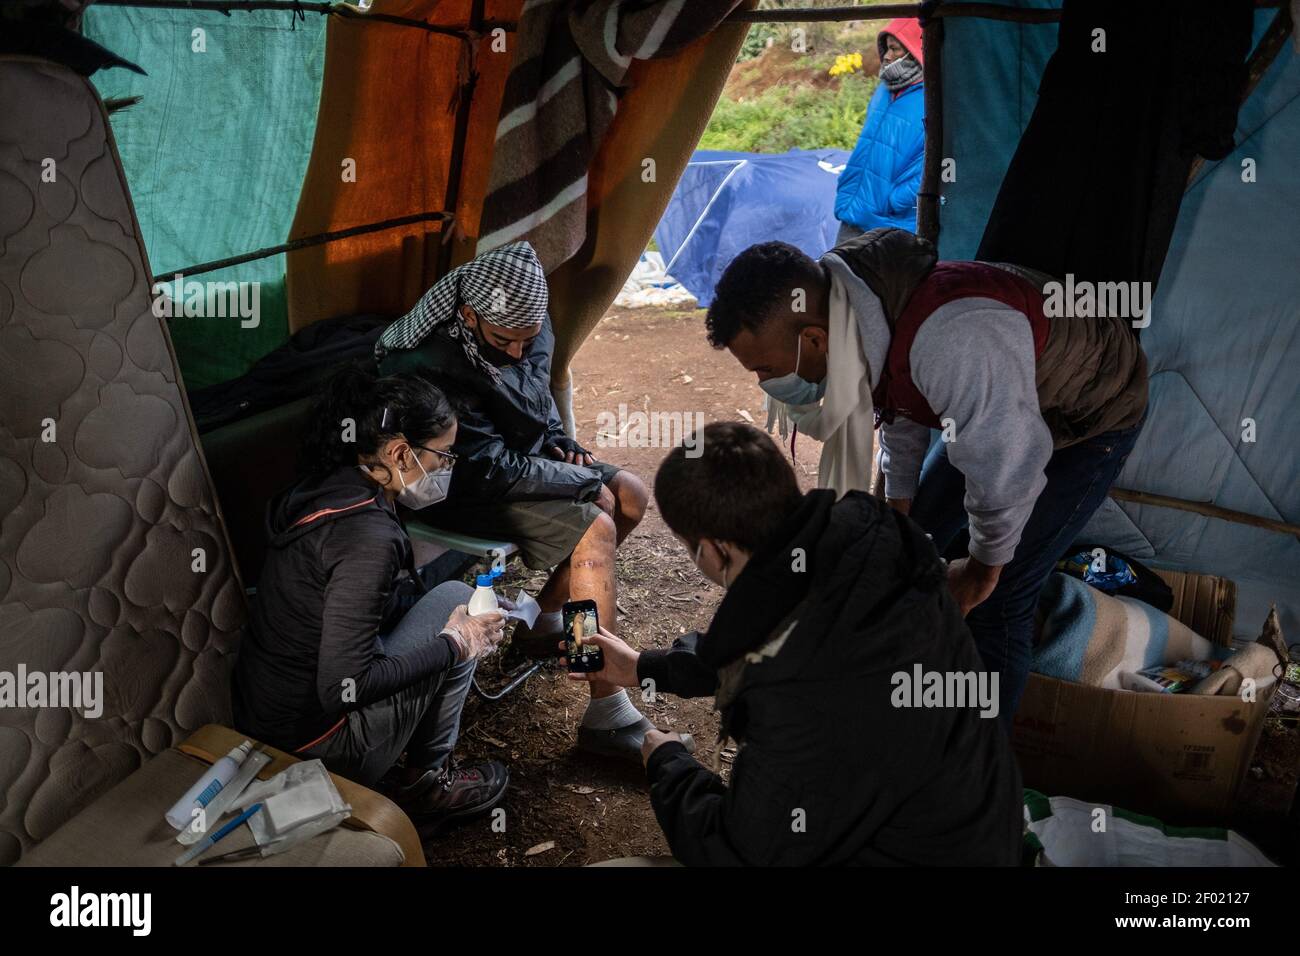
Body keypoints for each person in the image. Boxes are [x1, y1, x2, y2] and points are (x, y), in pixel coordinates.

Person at [705, 230, 1148, 721]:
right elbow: (898, 407)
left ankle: (976, 769)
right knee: (906, 540)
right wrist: (897, 516)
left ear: (814, 338)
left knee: (1002, 595)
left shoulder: (953, 341)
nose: (765, 383)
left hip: (1090, 413)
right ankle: (907, 689)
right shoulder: (856, 312)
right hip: (1008, 407)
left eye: (765, 368)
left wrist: (981, 572)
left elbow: (1007, 467)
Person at [569, 423, 1023, 866]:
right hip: (978, 831)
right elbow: (779, 641)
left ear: (713, 552)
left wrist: (666, 762)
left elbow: (735, 849)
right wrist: (645, 668)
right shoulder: (876, 543)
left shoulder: (792, 703)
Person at [376, 241, 655, 761]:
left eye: (528, 339)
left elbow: (536, 388)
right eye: (504, 341)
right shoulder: (430, 365)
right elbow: (484, 468)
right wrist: (574, 482)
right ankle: (604, 705)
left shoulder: (528, 322)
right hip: (456, 487)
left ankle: (544, 623)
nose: (518, 352)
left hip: (517, 464)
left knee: (631, 496)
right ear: (468, 315)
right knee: (596, 525)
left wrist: (560, 440)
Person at [232, 366, 509, 831]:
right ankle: (428, 783)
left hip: (263, 714)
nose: (446, 466)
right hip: (317, 748)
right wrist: (456, 645)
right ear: (401, 453)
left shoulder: (329, 486)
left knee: (448, 601)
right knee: (459, 605)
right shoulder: (368, 538)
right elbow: (345, 684)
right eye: (443, 455)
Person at [834, 18, 926, 243]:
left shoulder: (933, 98)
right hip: (853, 211)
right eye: (886, 48)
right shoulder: (884, 90)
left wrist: (895, 200)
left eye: (895, 48)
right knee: (836, 277)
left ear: (916, 50)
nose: (886, 56)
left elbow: (937, 162)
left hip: (890, 225)